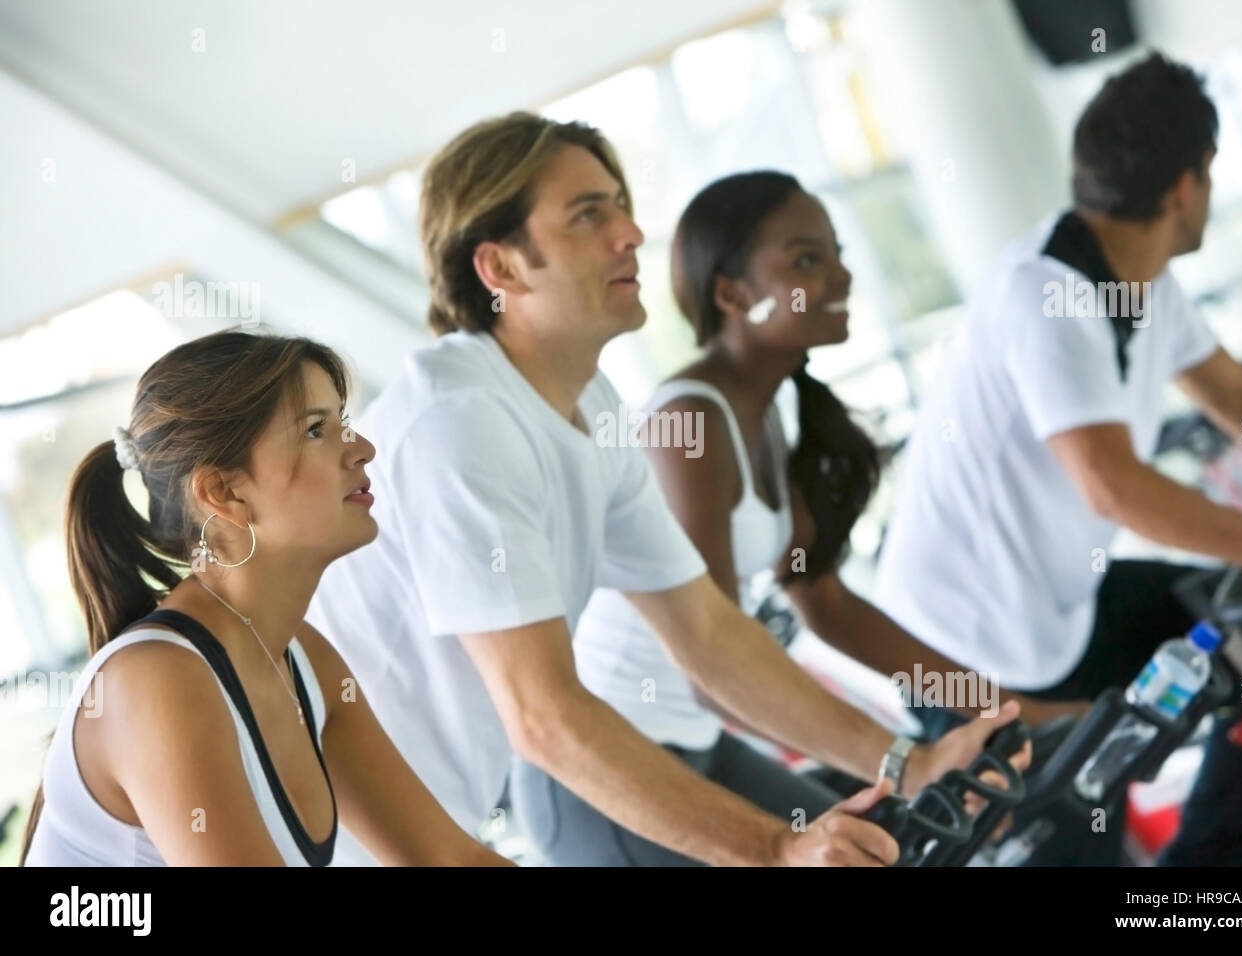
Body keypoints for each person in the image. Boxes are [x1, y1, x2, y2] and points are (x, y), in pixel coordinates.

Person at [307, 111, 1029, 868]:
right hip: (355, 846)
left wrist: (906, 765)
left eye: (620, 204)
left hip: (444, 819)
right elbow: (542, 716)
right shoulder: (460, 421)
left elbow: (708, 633)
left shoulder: (592, 405)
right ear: (503, 269)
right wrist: (777, 848)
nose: (630, 233)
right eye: (589, 215)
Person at [510, 170, 1064, 865]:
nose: (843, 276)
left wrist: (1000, 709)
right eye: (807, 260)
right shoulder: (690, 423)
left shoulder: (765, 411)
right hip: (610, 780)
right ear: (733, 293)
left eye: (836, 253)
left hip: (696, 745)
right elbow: (709, 666)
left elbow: (827, 605)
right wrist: (904, 761)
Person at [873, 51, 1242, 865]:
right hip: (960, 658)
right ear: (1186, 185)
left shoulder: (1147, 285)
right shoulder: (1047, 293)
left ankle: (1198, 887)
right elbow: (1113, 488)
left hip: (1064, 615)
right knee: (1071, 849)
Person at [21, 330, 512, 866]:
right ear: (224, 493)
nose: (363, 449)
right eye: (316, 430)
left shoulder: (304, 657)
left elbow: (447, 858)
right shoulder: (159, 683)